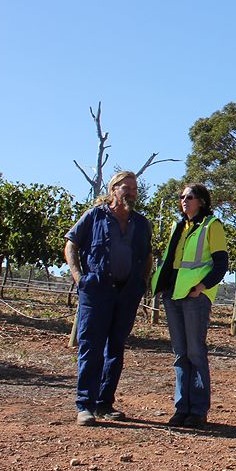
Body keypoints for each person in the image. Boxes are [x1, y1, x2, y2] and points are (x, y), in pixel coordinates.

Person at [64, 170, 153, 426]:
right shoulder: (95, 216)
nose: (132, 192)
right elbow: (71, 244)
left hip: (127, 293)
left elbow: (146, 255)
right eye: (127, 187)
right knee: (91, 347)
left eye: (135, 188)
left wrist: (141, 283)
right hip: (97, 289)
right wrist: (79, 278)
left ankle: (105, 403)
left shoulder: (141, 223)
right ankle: (85, 405)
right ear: (114, 189)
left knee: (115, 348)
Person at [152, 182, 228, 429]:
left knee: (196, 352)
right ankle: (180, 408)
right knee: (180, 354)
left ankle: (197, 410)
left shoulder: (212, 226)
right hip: (172, 295)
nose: (185, 200)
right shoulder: (178, 226)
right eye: (183, 197)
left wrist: (201, 288)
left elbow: (221, 263)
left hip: (194, 296)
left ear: (202, 201)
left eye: (191, 197)